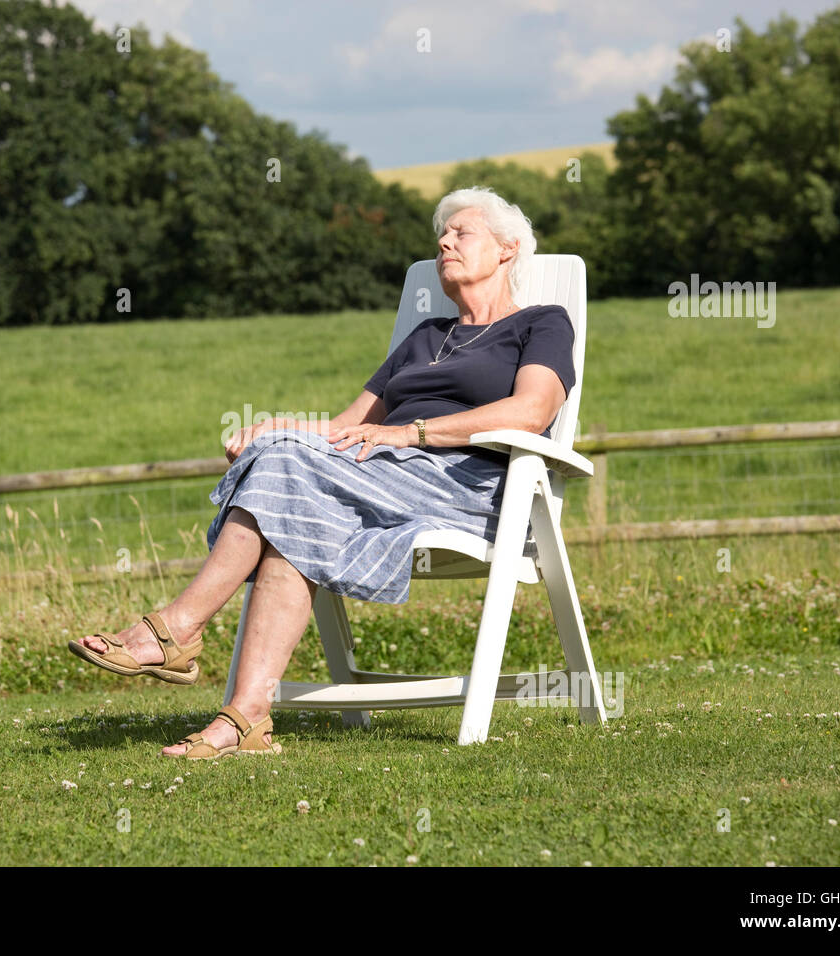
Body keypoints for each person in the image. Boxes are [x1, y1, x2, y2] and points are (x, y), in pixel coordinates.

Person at [68, 185, 576, 759]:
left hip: (466, 488)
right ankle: (245, 718)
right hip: (382, 475)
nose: (444, 242)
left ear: (507, 249)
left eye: (462, 233)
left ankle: (177, 628)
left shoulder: (540, 323)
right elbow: (346, 426)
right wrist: (276, 426)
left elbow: (532, 411)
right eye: (443, 234)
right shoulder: (425, 337)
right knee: (292, 514)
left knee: (286, 470)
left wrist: (409, 434)